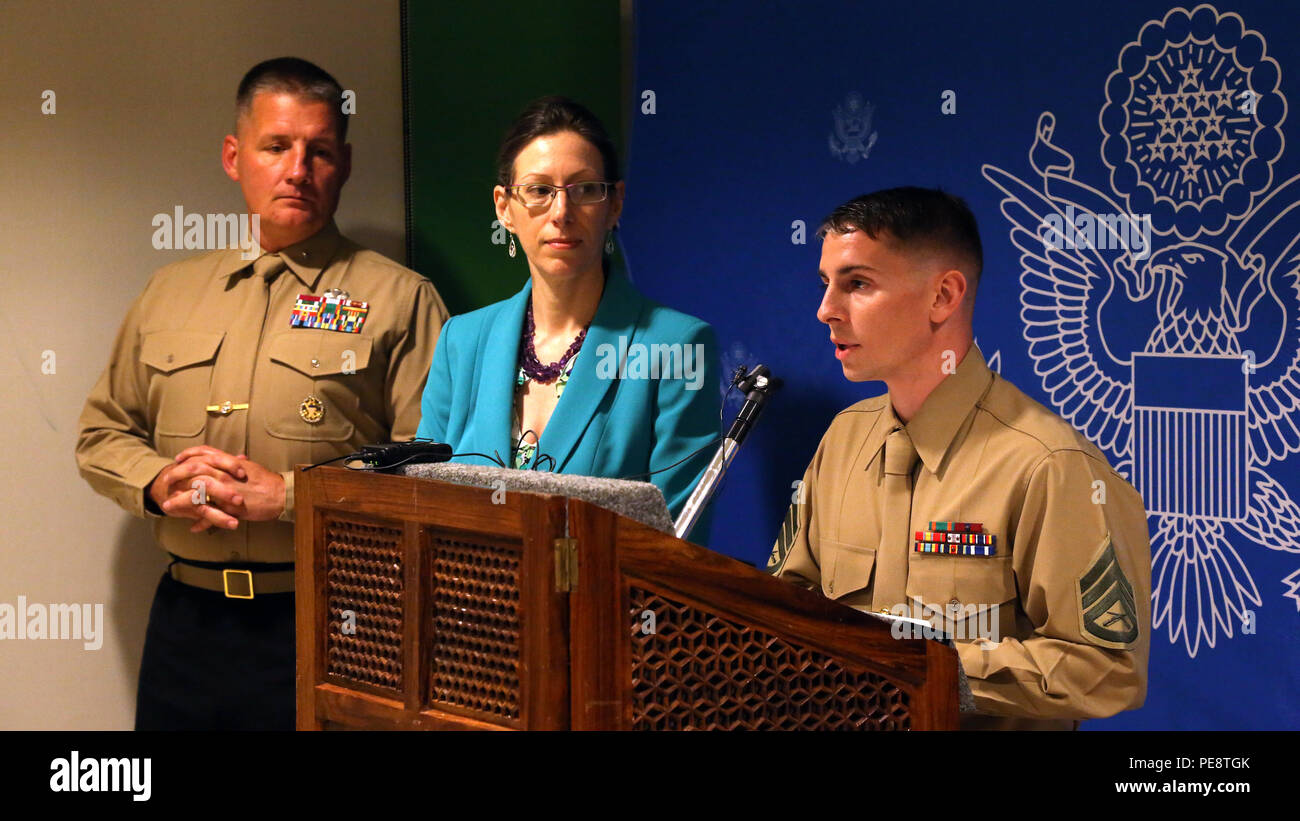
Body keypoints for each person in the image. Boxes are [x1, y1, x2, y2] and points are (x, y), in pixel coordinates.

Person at [76, 57, 448, 730]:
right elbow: (102, 433)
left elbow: (431, 468)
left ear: (345, 163)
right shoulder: (168, 293)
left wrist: (292, 497)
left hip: (336, 622)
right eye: (277, 146)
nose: (298, 169)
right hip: (186, 626)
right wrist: (159, 479)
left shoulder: (401, 298)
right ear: (234, 155)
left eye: (320, 151)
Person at [769, 187, 1151, 730]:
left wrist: (921, 665)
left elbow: (1109, 670)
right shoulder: (843, 439)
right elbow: (786, 601)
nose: (826, 310)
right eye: (825, 283)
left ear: (944, 296)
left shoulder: (1049, 463)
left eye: (857, 284)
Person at [417, 96, 719, 529]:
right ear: (504, 206)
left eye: (585, 190)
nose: (561, 213)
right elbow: (426, 505)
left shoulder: (676, 345)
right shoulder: (460, 341)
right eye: (539, 190)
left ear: (614, 204)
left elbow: (677, 542)